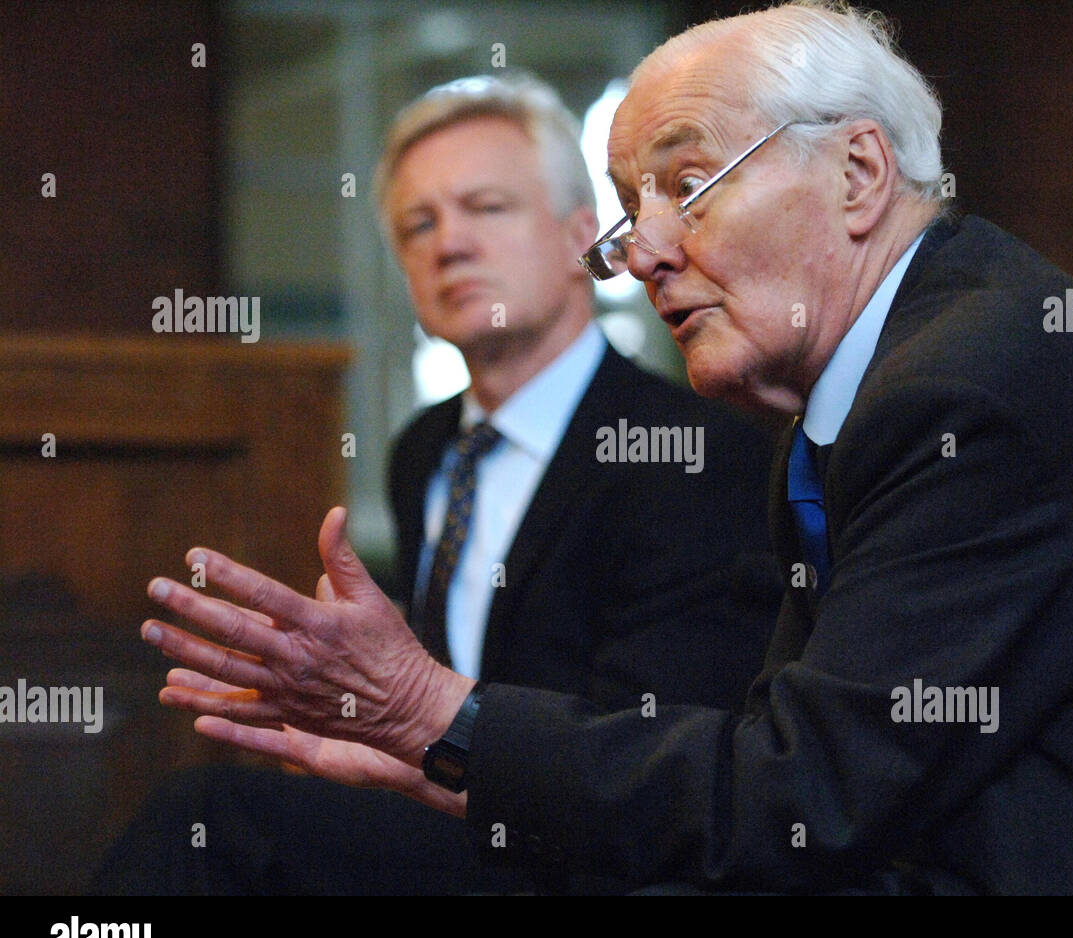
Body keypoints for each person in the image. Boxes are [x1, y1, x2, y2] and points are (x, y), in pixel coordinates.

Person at [141, 1, 1073, 894]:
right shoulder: (895, 372)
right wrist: (457, 760)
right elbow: (793, 778)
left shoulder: (964, 387)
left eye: (688, 186)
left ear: (857, 173)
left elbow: (799, 795)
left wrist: (442, 718)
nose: (642, 252)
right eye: (631, 208)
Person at [98, 74, 779, 894]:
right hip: (448, 827)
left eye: (486, 208)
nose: (448, 243)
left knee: (207, 820)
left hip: (595, 848)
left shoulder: (691, 451)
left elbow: (662, 754)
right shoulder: (423, 450)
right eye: (419, 224)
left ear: (583, 234)